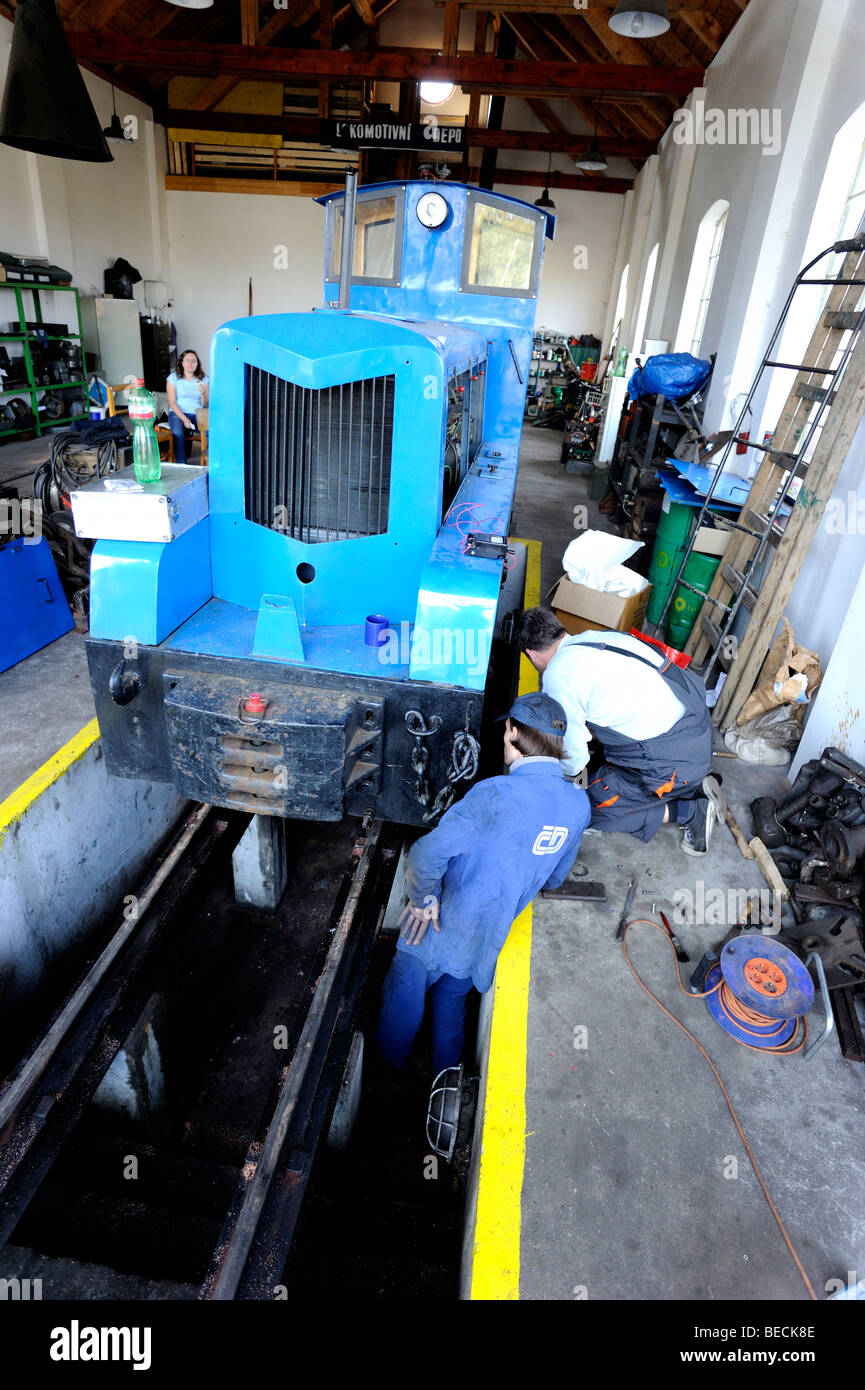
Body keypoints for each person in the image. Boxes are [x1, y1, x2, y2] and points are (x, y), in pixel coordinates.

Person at [375, 692, 591, 1076]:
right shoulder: (578, 805)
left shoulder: (496, 793)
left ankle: (385, 1075)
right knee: (451, 1007)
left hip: (435, 927)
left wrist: (425, 897)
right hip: (485, 937)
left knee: (403, 1003)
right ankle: (445, 1087)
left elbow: (425, 854)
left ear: (512, 733)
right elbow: (555, 877)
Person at [516, 607, 725, 855]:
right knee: (601, 757)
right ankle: (690, 785)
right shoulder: (594, 637)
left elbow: (574, 762)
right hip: (697, 727)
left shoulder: (558, 676)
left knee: (586, 809)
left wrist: (547, 776)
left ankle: (691, 811)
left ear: (531, 654)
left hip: (673, 755)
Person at [166, 349, 209, 464]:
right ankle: (182, 465)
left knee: (211, 430)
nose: (190, 363)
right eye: (187, 360)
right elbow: (172, 402)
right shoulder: (173, 378)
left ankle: (210, 462)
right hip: (177, 412)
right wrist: (185, 419)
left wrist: (204, 393)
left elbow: (206, 405)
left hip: (197, 412)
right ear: (182, 363)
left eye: (193, 361)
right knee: (178, 433)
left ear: (197, 363)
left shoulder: (204, 379)